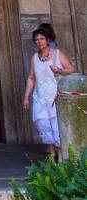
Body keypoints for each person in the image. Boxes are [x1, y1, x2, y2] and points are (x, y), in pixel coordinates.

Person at [23, 22, 75, 160]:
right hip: (40, 98)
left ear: (47, 40)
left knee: (56, 128)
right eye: (36, 40)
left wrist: (59, 70)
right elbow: (31, 78)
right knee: (44, 126)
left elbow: (71, 69)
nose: (39, 42)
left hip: (55, 98)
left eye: (41, 39)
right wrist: (26, 97)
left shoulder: (57, 54)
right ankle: (52, 154)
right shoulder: (34, 57)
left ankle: (61, 155)